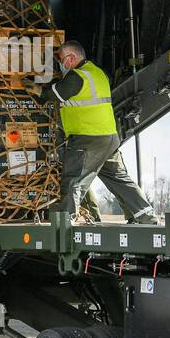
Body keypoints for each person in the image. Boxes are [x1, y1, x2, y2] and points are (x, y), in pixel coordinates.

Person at [41, 40, 158, 224]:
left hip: (89, 138)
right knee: (118, 178)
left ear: (71, 58)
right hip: (109, 137)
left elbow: (53, 95)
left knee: (74, 180)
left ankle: (66, 221)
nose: (61, 64)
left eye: (62, 60)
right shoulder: (97, 73)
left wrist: (34, 88)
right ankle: (146, 216)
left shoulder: (77, 76)